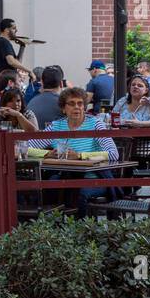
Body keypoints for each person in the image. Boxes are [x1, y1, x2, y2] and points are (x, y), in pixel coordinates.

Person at [31, 87, 119, 217]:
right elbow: (26, 148)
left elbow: (113, 154)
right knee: (45, 190)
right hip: (64, 176)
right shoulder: (56, 126)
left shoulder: (96, 124)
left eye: (80, 103)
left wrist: (80, 156)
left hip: (93, 178)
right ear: (63, 108)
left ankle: (81, 233)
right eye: (71, 104)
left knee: (79, 194)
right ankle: (53, 232)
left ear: (84, 106)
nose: (76, 107)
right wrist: (47, 154)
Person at [0, 18, 31, 82]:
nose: (16, 30)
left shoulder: (5, 42)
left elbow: (17, 62)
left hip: (9, 80)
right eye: (14, 28)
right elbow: (11, 62)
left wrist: (22, 46)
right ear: (7, 30)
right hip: (6, 81)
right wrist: (29, 71)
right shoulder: (3, 42)